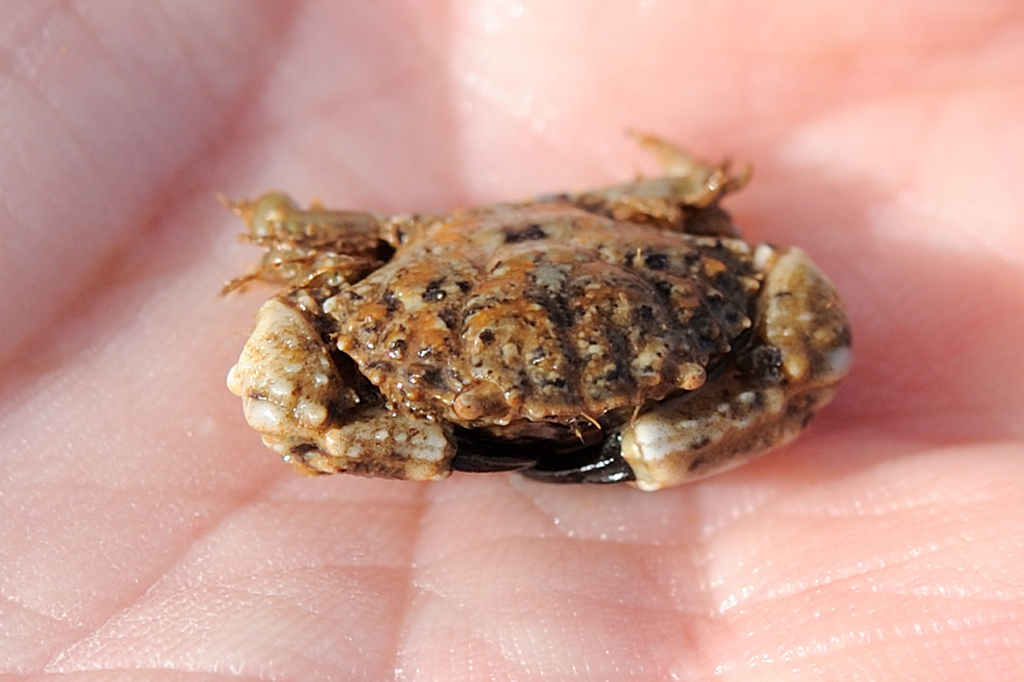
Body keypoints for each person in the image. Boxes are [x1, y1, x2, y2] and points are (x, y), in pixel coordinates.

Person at [2, 2, 1021, 679]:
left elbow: (802, 346)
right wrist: (426, 439)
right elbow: (291, 403)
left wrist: (659, 437)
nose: (548, 423)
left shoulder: (725, 274)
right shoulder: (344, 309)